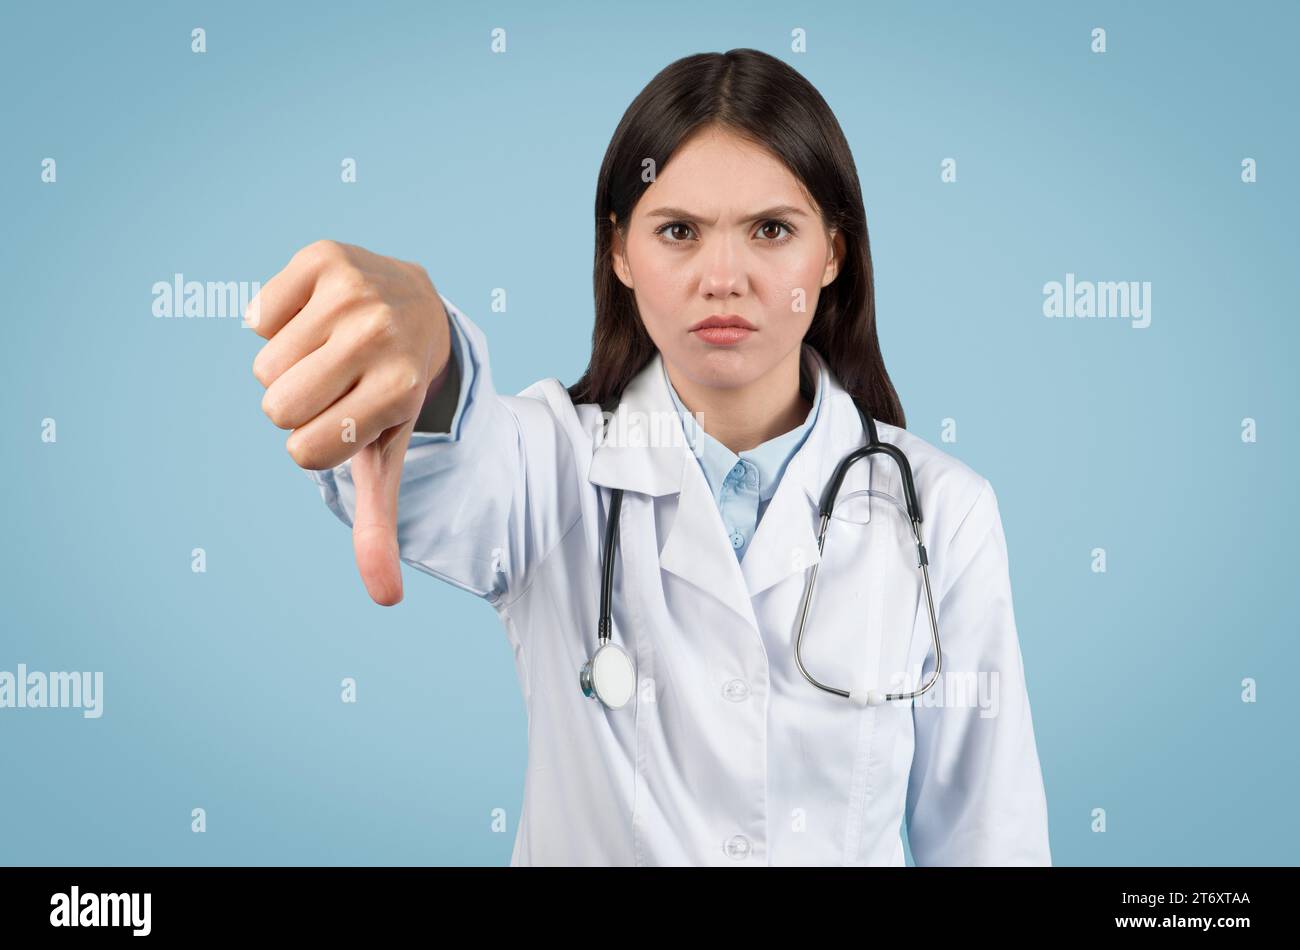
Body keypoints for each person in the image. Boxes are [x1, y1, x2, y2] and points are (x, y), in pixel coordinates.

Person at [249, 48, 1051, 866]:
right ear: (622, 253)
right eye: (678, 232)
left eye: (772, 230)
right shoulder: (555, 467)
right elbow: (452, 465)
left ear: (834, 254)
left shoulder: (942, 512)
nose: (724, 277)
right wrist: (429, 356)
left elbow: (992, 836)